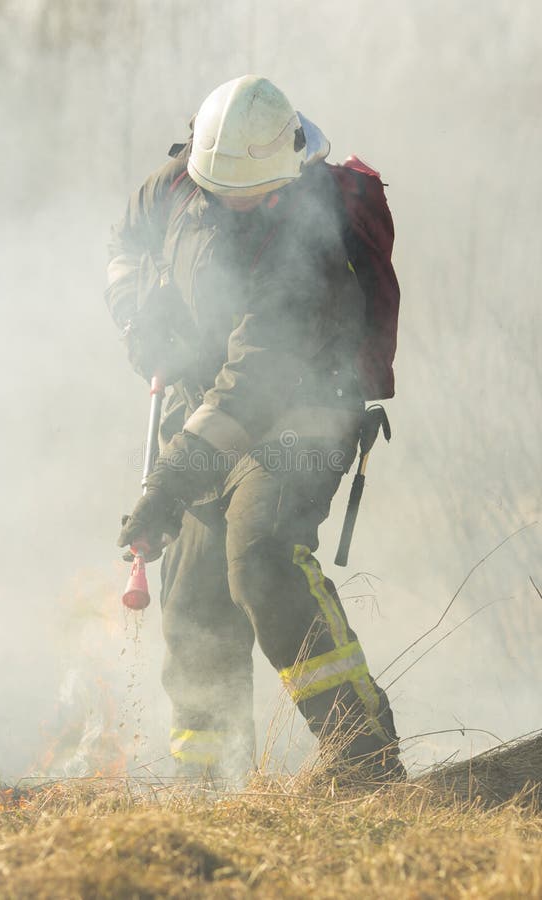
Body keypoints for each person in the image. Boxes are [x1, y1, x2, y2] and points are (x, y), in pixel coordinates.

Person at [106, 74, 404, 783]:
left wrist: (169, 483)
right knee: (193, 599)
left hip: (300, 410)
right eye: (225, 190)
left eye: (256, 193)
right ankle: (208, 785)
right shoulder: (177, 186)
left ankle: (363, 759)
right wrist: (135, 311)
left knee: (261, 554)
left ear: (287, 172)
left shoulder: (313, 238)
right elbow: (125, 245)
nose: (241, 203)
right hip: (215, 410)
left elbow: (255, 382)